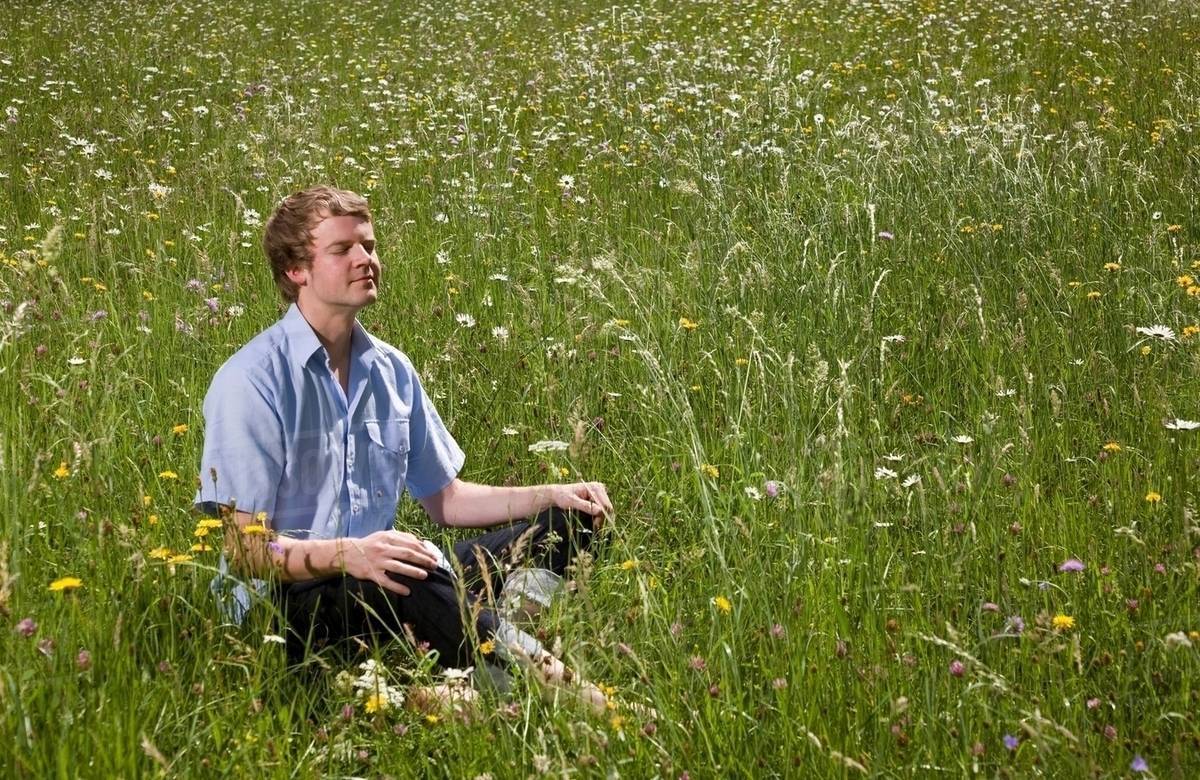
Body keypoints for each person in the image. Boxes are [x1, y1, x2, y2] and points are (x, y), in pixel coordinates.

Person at [194, 185, 612, 711]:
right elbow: (246, 550)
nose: (365, 260)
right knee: (401, 569)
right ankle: (560, 692)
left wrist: (553, 493)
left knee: (575, 520)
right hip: (287, 606)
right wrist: (350, 555)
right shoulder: (252, 380)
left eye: (368, 246)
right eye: (342, 249)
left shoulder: (390, 369)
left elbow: (447, 500)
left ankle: (476, 662)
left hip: (383, 574)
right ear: (296, 270)